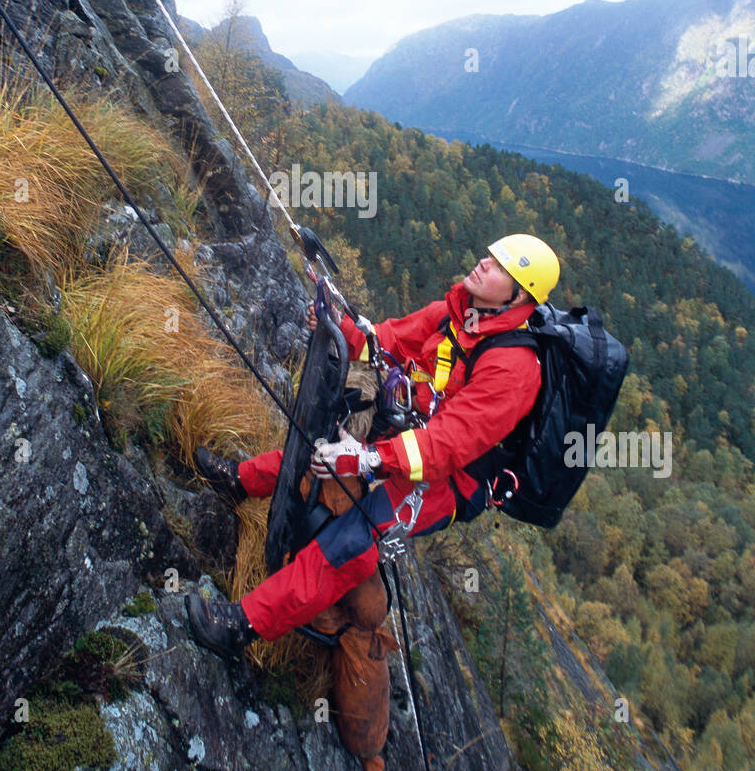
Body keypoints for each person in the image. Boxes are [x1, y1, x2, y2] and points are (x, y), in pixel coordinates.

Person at [186, 234, 560, 659]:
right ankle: (239, 481)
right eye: (489, 255)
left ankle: (242, 626)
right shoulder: (453, 316)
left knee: (354, 537)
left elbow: (446, 447)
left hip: (450, 480)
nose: (483, 262)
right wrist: (335, 326)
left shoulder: (513, 370)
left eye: (499, 266)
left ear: (518, 297)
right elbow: (385, 342)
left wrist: (368, 458)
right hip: (412, 439)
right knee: (321, 455)